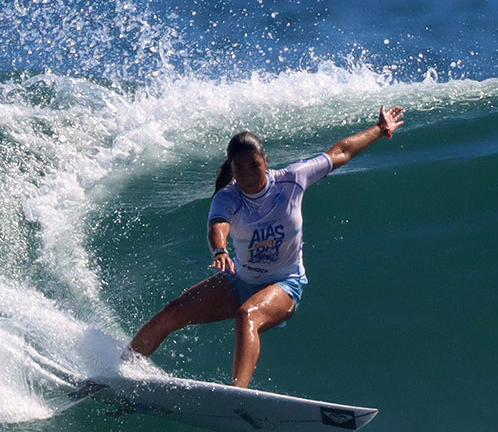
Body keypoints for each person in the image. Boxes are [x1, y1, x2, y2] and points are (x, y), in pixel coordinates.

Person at [127, 105, 405, 387]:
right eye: (239, 168)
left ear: (266, 160)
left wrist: (381, 129)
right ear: (231, 169)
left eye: (254, 166)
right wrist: (220, 250)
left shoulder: (292, 180)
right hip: (240, 281)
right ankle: (121, 370)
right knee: (171, 313)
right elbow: (218, 225)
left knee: (248, 314)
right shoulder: (228, 197)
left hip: (285, 284)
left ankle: (237, 394)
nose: (247, 174)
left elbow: (341, 152)